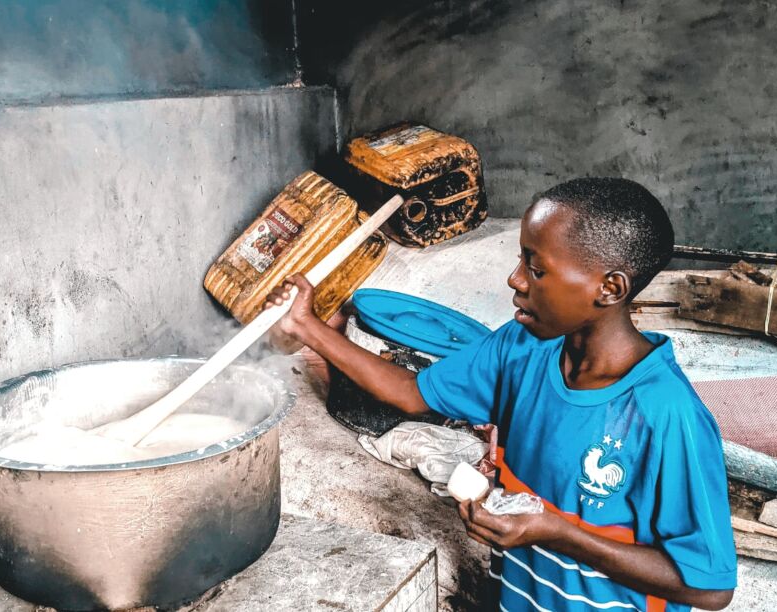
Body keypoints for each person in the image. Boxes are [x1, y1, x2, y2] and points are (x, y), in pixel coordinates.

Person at [264, 177, 736, 611]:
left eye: (536, 267)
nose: (515, 279)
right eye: (520, 258)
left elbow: (708, 586)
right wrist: (307, 326)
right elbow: (412, 393)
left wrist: (557, 534)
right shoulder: (522, 347)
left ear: (609, 288)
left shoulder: (664, 413)